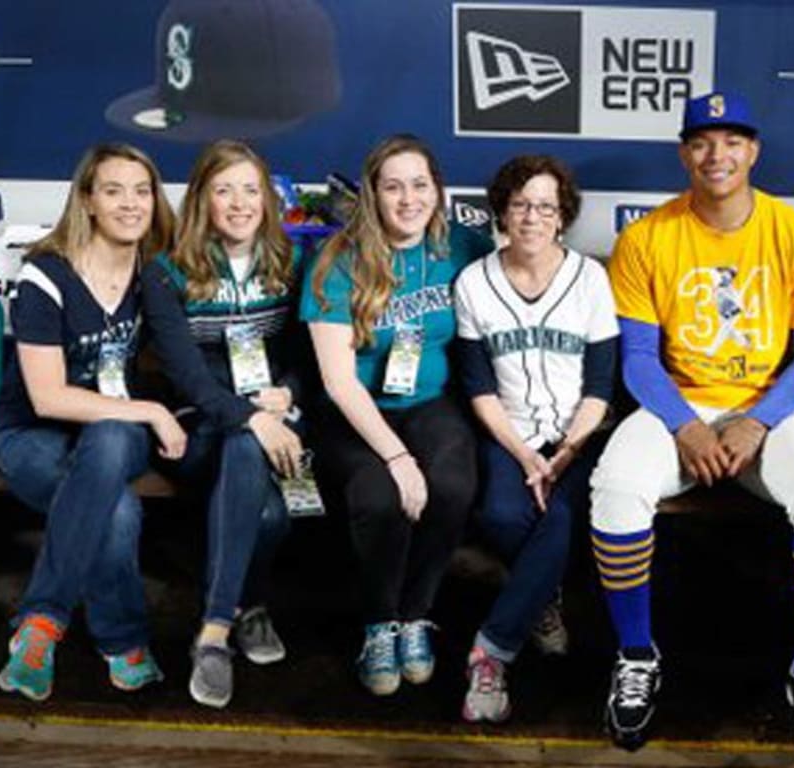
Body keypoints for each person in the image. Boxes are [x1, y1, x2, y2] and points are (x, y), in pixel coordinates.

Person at [589, 91, 794, 768]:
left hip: (767, 407)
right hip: (676, 405)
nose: (718, 154)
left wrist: (757, 421)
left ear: (753, 150)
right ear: (685, 152)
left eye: (732, 140)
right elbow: (641, 359)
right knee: (616, 489)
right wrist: (687, 426)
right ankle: (637, 657)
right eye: (703, 141)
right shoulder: (648, 236)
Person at [301, 134, 490, 697]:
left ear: (438, 189)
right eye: (393, 186)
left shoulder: (465, 246)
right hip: (354, 411)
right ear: (372, 195)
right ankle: (379, 622)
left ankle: (416, 615)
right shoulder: (337, 259)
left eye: (420, 184)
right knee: (380, 497)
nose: (408, 198)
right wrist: (397, 457)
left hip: (429, 401)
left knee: (453, 484)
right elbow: (337, 381)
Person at [0, 143, 182, 701]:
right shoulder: (46, 275)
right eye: (114, 190)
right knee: (117, 510)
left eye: (142, 191)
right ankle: (121, 639)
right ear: (88, 202)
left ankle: (39, 625)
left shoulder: (154, 274)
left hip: (112, 434)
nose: (130, 204)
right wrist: (149, 409)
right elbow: (48, 398)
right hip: (30, 435)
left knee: (107, 439)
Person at [142, 139, 310, 708]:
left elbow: (306, 354)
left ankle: (236, 610)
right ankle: (221, 626)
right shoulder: (168, 272)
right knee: (249, 459)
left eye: (249, 189)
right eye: (223, 191)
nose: (239, 203)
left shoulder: (289, 261)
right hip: (199, 423)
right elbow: (187, 376)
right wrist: (251, 419)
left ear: (266, 197)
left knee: (273, 510)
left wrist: (288, 392)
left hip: (279, 413)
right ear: (202, 201)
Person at [451, 155, 618, 723]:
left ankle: (491, 651)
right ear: (501, 210)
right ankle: (542, 599)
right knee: (501, 513)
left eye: (546, 206)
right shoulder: (475, 282)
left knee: (563, 518)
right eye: (520, 204)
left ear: (562, 215)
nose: (532, 217)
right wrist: (525, 456)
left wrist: (567, 451)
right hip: (510, 435)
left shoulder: (590, 277)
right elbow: (478, 387)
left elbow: (601, 383)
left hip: (580, 434)